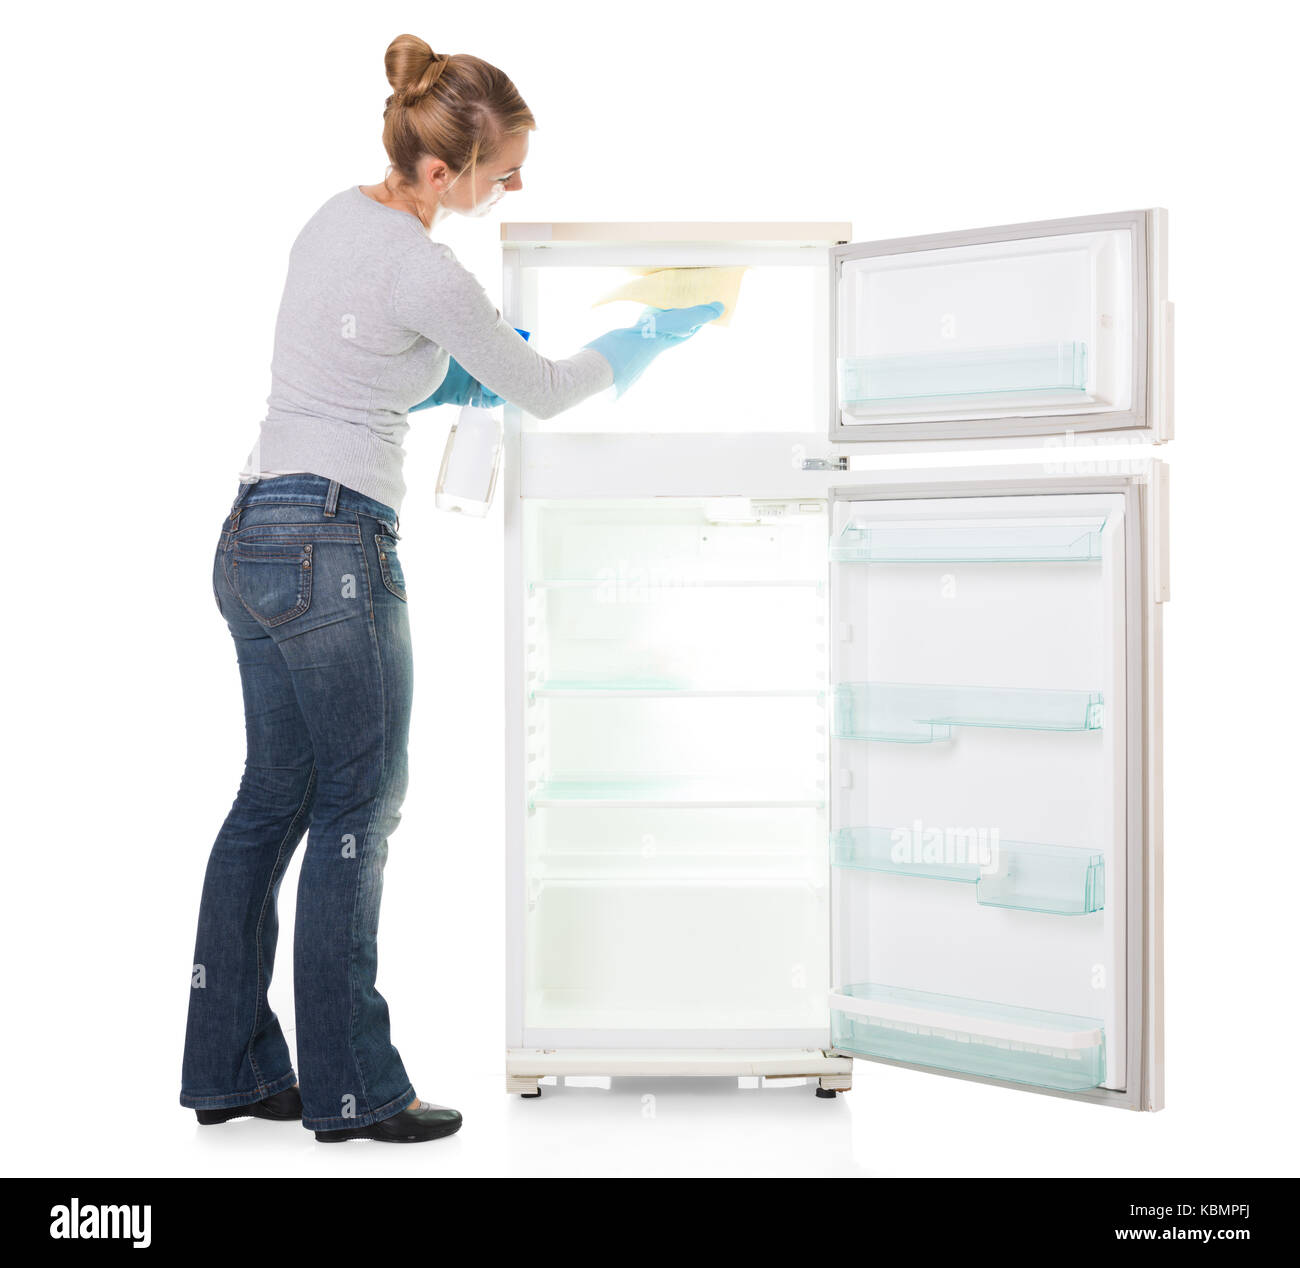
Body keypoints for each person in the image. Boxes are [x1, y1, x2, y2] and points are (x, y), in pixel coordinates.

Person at [179, 32, 721, 1144]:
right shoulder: (433, 268)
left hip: (253, 536)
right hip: (334, 544)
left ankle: (228, 1068)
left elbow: (344, 358)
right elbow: (552, 390)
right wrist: (643, 339)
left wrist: (437, 379)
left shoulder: (335, 215)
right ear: (444, 171)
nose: (511, 186)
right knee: (356, 809)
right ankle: (353, 1088)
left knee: (270, 800)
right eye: (503, 170)